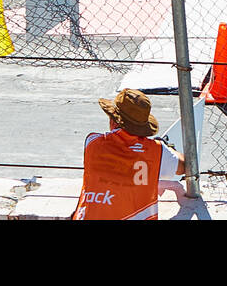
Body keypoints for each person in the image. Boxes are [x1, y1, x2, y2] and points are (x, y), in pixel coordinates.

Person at [72, 89, 185, 220]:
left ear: (114, 121)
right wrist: (164, 146)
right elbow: (184, 166)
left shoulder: (92, 143)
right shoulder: (156, 151)